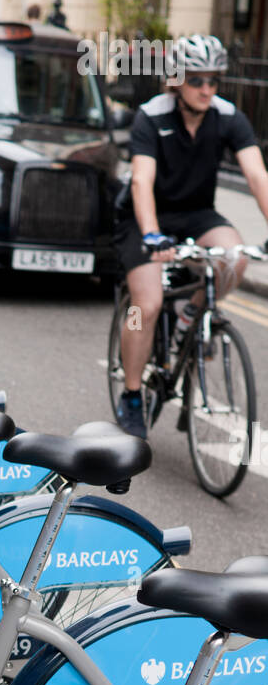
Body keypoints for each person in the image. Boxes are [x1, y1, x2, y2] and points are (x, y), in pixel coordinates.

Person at [114, 33, 268, 438]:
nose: (206, 89)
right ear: (176, 79)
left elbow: (256, 175)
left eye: (213, 80)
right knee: (144, 306)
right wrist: (152, 236)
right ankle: (131, 394)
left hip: (197, 215)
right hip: (144, 220)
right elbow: (141, 182)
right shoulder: (151, 116)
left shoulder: (229, 117)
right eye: (196, 80)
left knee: (235, 257)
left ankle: (189, 315)